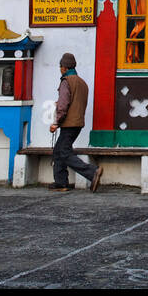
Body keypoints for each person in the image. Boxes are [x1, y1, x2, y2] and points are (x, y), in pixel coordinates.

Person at [49, 53, 102, 192]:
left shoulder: (66, 81)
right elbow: (75, 102)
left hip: (68, 123)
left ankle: (92, 172)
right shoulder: (81, 82)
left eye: (60, 66)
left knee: (63, 152)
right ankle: (61, 183)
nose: (60, 69)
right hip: (78, 122)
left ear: (64, 68)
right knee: (59, 150)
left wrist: (56, 122)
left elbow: (63, 104)